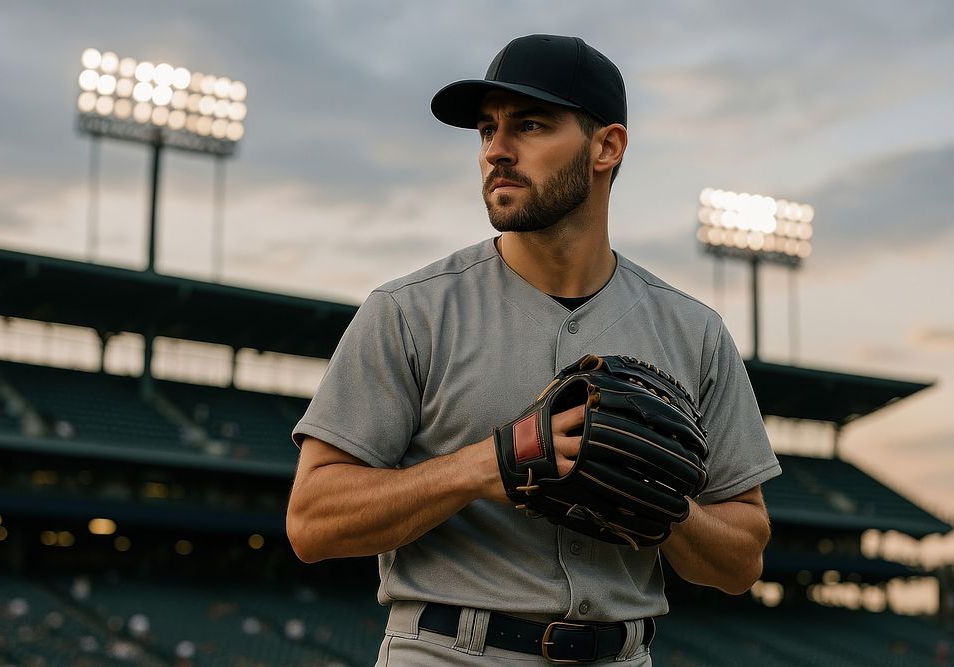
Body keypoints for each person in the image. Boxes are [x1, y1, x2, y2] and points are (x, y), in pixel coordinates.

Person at [287, 34, 780, 665]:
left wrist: (659, 504)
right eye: (487, 130)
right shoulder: (410, 311)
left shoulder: (696, 333)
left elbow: (742, 560)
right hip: (448, 651)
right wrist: (485, 466)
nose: (497, 150)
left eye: (531, 125)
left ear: (608, 147)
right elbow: (312, 522)